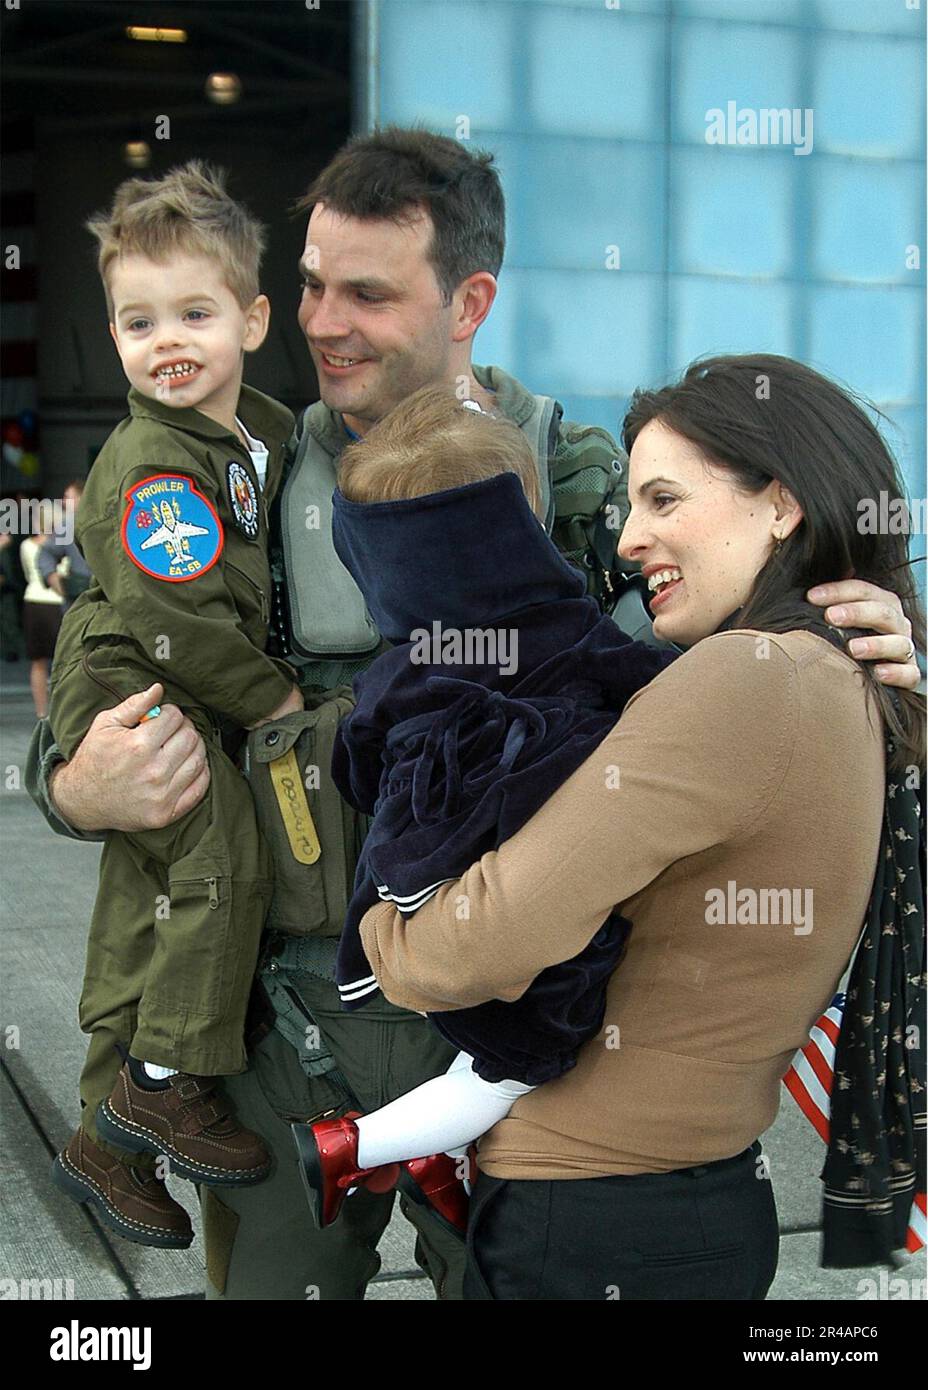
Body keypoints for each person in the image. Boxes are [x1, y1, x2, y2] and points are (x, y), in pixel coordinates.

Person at [25, 130, 920, 1300]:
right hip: (285, 1018)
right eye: (307, 285)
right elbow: (112, 643)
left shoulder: (583, 480)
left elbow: (722, 661)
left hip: (508, 1028)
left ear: (469, 299)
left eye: (368, 293)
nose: (321, 322)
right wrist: (69, 782)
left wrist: (875, 640)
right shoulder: (235, 471)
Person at [356, 353, 925, 1300]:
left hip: (591, 1225)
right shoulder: (856, 680)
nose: (628, 538)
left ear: (780, 504)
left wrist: (381, 923)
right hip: (691, 1208)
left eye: (664, 499)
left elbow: (484, 942)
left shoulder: (745, 677)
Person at [292, 386, 670, 1233]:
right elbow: (646, 687)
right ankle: (355, 1145)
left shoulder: (405, 663)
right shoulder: (556, 629)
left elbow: (357, 765)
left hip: (409, 900)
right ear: (519, 524)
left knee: (478, 1057)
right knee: (521, 1059)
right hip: (509, 918)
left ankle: (433, 1159)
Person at [46, 160, 306, 1247]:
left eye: (194, 313)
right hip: (135, 670)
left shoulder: (260, 430)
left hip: (176, 669)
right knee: (219, 849)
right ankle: (161, 1079)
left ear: (251, 316)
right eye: (137, 321)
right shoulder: (156, 458)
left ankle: (107, 1137)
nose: (167, 342)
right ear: (112, 337)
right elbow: (173, 620)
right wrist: (275, 697)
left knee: (153, 889)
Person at [20, 502, 64, 717]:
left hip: (34, 601)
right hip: (58, 602)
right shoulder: (64, 544)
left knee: (37, 661)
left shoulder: (27, 545)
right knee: (63, 659)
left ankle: (41, 713)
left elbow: (28, 574)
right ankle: (62, 710)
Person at [36, 480, 92, 611]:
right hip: (79, 597)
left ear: (82, 497)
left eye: (67, 497)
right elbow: (46, 553)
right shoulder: (68, 525)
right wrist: (51, 576)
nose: (63, 502)